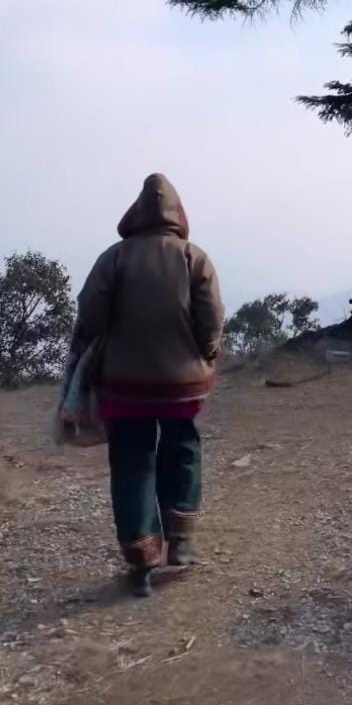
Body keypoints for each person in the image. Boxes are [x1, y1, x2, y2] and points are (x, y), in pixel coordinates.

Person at [74, 174, 225, 598]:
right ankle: (181, 547)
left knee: (131, 462)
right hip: (182, 385)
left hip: (124, 384)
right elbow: (210, 319)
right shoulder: (194, 258)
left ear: (136, 215)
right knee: (182, 451)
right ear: (179, 216)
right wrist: (205, 354)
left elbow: (90, 312)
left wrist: (114, 340)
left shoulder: (114, 258)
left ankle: (142, 564)